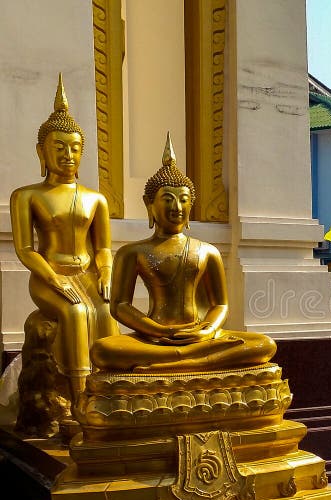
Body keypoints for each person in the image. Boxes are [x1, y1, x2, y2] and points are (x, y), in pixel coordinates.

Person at [90, 134, 276, 372]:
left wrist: (207, 329)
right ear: (149, 204)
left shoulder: (207, 251)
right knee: (103, 351)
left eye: (183, 200)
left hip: (200, 335)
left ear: (191, 205)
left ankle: (180, 360)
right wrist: (158, 331)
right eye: (167, 200)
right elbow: (119, 305)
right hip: (153, 337)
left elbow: (220, 304)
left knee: (264, 345)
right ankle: (192, 360)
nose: (176, 207)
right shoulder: (132, 252)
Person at [10, 75, 119, 408]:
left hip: (86, 273)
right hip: (49, 274)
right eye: (58, 147)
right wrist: (54, 278)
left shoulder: (95, 199)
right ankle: (78, 400)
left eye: (74, 148)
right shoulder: (27, 196)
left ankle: (112, 389)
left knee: (104, 310)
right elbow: (25, 249)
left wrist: (105, 273)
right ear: (41, 151)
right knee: (74, 312)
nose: (68, 154)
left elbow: (102, 247)